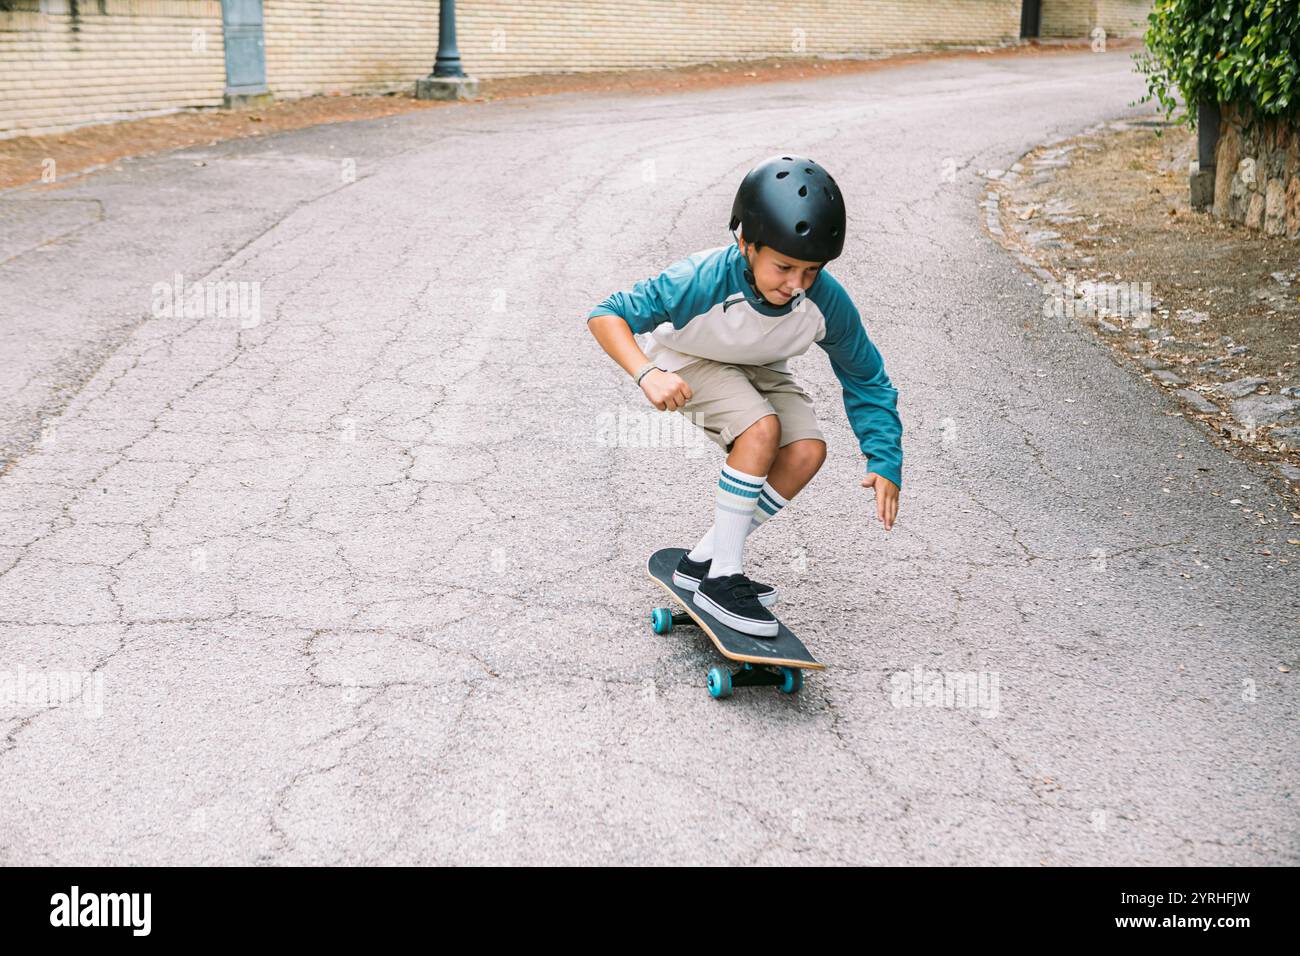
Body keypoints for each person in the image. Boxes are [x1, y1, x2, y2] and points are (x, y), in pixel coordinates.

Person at [587, 154, 903, 637]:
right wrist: (646, 373)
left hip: (756, 366)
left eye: (811, 270)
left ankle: (703, 563)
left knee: (805, 451)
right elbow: (607, 314)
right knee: (761, 430)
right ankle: (723, 580)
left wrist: (884, 458)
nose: (796, 284)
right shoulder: (703, 277)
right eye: (783, 267)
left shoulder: (825, 301)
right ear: (746, 244)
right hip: (685, 359)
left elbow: (865, 376)